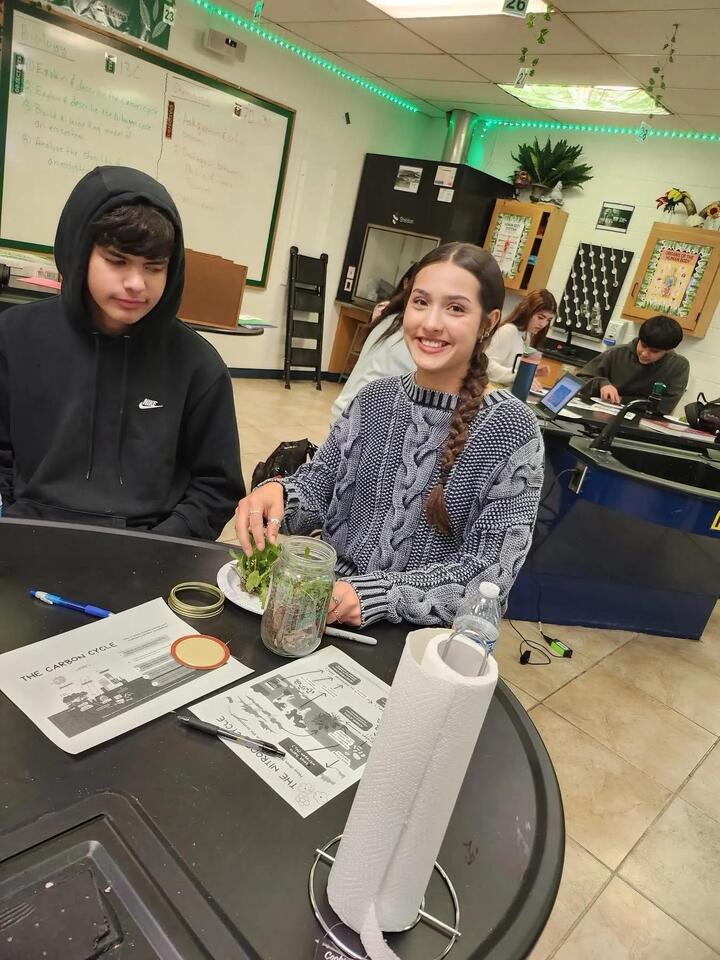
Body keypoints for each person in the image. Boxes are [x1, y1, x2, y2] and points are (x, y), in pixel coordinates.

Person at [235, 242, 544, 628]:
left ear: (488, 322)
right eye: (420, 302)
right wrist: (281, 495)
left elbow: (490, 578)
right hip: (323, 610)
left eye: (456, 308)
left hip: (418, 638)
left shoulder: (509, 429)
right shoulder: (374, 399)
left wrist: (376, 596)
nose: (431, 323)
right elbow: (319, 487)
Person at [0, 165, 244, 538]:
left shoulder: (200, 367)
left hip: (149, 550)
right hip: (26, 534)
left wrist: (162, 547)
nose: (136, 284)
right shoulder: (12, 336)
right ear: (79, 253)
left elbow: (215, 486)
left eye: (154, 267)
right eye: (117, 261)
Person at [330, 265, 415, 422]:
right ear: (407, 284)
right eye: (422, 300)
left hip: (346, 411)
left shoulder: (390, 317)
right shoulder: (395, 321)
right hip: (359, 419)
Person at [577, 315, 689, 414]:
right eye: (643, 345)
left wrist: (621, 400)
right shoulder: (615, 353)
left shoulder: (678, 366)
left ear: (668, 350)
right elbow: (578, 382)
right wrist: (601, 383)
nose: (645, 353)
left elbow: (665, 407)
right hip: (598, 414)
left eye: (654, 351)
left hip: (640, 422)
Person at [485, 289, 557, 389]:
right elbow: (488, 368)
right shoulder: (508, 331)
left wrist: (531, 373)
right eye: (540, 317)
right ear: (527, 311)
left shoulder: (526, 335)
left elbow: (512, 370)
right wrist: (521, 376)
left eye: (548, 320)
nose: (543, 324)